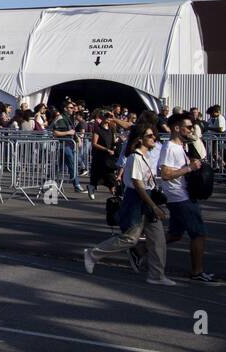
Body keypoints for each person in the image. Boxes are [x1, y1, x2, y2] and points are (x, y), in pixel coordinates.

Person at [84, 126, 172, 285]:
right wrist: (154, 206)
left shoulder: (146, 156)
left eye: (154, 135)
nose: (154, 138)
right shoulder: (135, 158)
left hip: (147, 198)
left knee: (158, 239)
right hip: (137, 201)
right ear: (140, 139)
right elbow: (138, 185)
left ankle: (157, 275)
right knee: (130, 238)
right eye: (150, 136)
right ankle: (92, 254)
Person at [158, 113, 216, 283]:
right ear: (177, 128)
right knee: (198, 234)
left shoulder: (181, 146)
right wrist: (189, 168)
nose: (192, 129)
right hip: (179, 196)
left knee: (175, 234)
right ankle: (197, 272)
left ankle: (139, 250)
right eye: (189, 127)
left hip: (182, 194)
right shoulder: (169, 147)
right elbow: (166, 174)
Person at [50, 102, 84, 193]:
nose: (73, 109)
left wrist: (78, 139)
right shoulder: (61, 118)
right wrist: (68, 133)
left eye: (73, 107)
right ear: (65, 108)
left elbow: (72, 131)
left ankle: (47, 182)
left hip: (69, 144)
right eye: (71, 107)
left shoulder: (69, 118)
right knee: (72, 164)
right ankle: (77, 185)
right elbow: (55, 133)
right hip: (64, 145)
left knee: (59, 166)